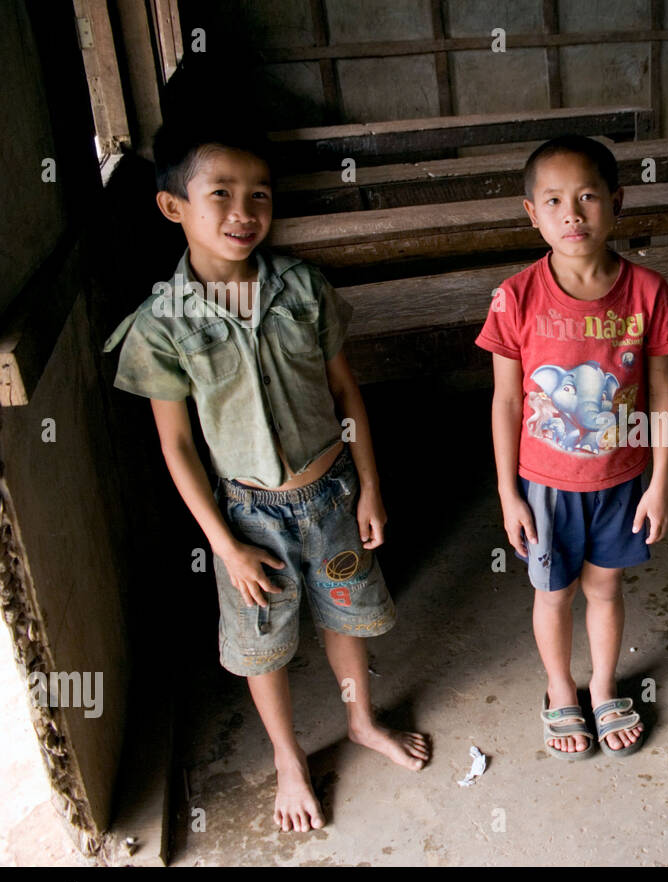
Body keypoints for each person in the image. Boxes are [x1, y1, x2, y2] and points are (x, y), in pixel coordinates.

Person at [103, 120, 430, 831]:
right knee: (263, 645)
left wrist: (370, 484)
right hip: (247, 517)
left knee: (346, 616)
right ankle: (288, 758)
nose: (244, 212)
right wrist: (224, 544)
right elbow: (179, 448)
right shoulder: (163, 323)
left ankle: (361, 722)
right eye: (220, 194)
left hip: (333, 492)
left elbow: (347, 395)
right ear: (173, 208)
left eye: (260, 195)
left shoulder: (302, 290)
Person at [476, 135, 668, 759]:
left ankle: (601, 687)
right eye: (554, 201)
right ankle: (560, 689)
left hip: (622, 482)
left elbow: (663, 395)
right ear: (531, 213)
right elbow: (507, 402)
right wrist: (507, 493)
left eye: (588, 196)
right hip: (544, 486)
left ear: (617, 203)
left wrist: (661, 483)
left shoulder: (647, 292)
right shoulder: (515, 297)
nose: (573, 214)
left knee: (605, 589)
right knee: (554, 594)